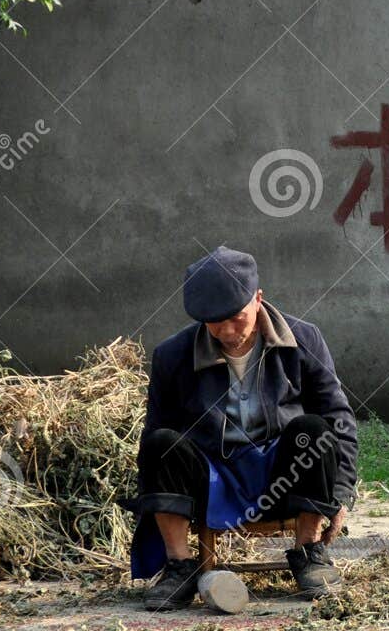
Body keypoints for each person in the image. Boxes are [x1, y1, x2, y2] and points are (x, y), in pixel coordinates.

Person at [122, 246, 359, 610]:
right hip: (213, 477)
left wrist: (340, 493)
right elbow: (155, 433)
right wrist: (149, 507)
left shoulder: (303, 340)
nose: (227, 330)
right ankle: (179, 566)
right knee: (160, 443)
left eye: (236, 317)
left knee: (314, 429)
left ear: (258, 299)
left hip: (282, 474)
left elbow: (339, 417)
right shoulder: (173, 355)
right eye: (214, 322)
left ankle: (309, 552)